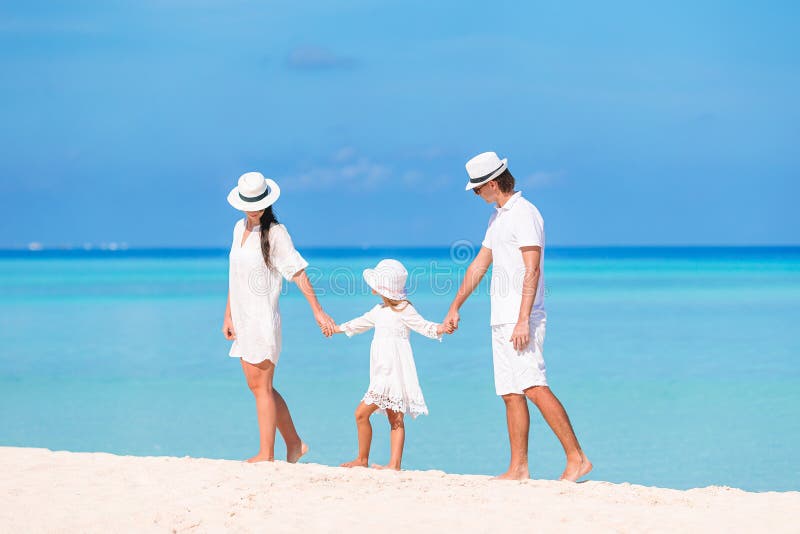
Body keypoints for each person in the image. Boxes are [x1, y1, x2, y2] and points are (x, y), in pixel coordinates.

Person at [443, 152, 592, 481]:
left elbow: (532, 269)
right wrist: (455, 306)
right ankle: (519, 468)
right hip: (501, 318)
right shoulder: (498, 218)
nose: (476, 196)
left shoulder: (525, 213)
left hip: (522, 317)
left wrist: (524, 318)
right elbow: (480, 264)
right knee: (510, 392)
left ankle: (577, 457)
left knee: (534, 385)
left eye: (478, 189)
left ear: (492, 184)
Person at [223, 171, 335, 463]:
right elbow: (234, 276)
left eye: (259, 202)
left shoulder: (275, 233)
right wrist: (228, 316)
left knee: (261, 387)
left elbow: (297, 272)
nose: (254, 208)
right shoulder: (239, 229)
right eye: (249, 202)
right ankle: (295, 444)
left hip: (262, 319)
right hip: (243, 318)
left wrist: (318, 311)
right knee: (260, 387)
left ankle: (266, 454)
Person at [331, 259, 453, 470]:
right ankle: (363, 459)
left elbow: (425, 327)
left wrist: (442, 328)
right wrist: (336, 329)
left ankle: (391, 464)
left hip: (395, 373)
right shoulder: (378, 310)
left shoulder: (405, 310)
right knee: (365, 415)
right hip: (380, 373)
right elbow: (359, 323)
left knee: (390, 418)